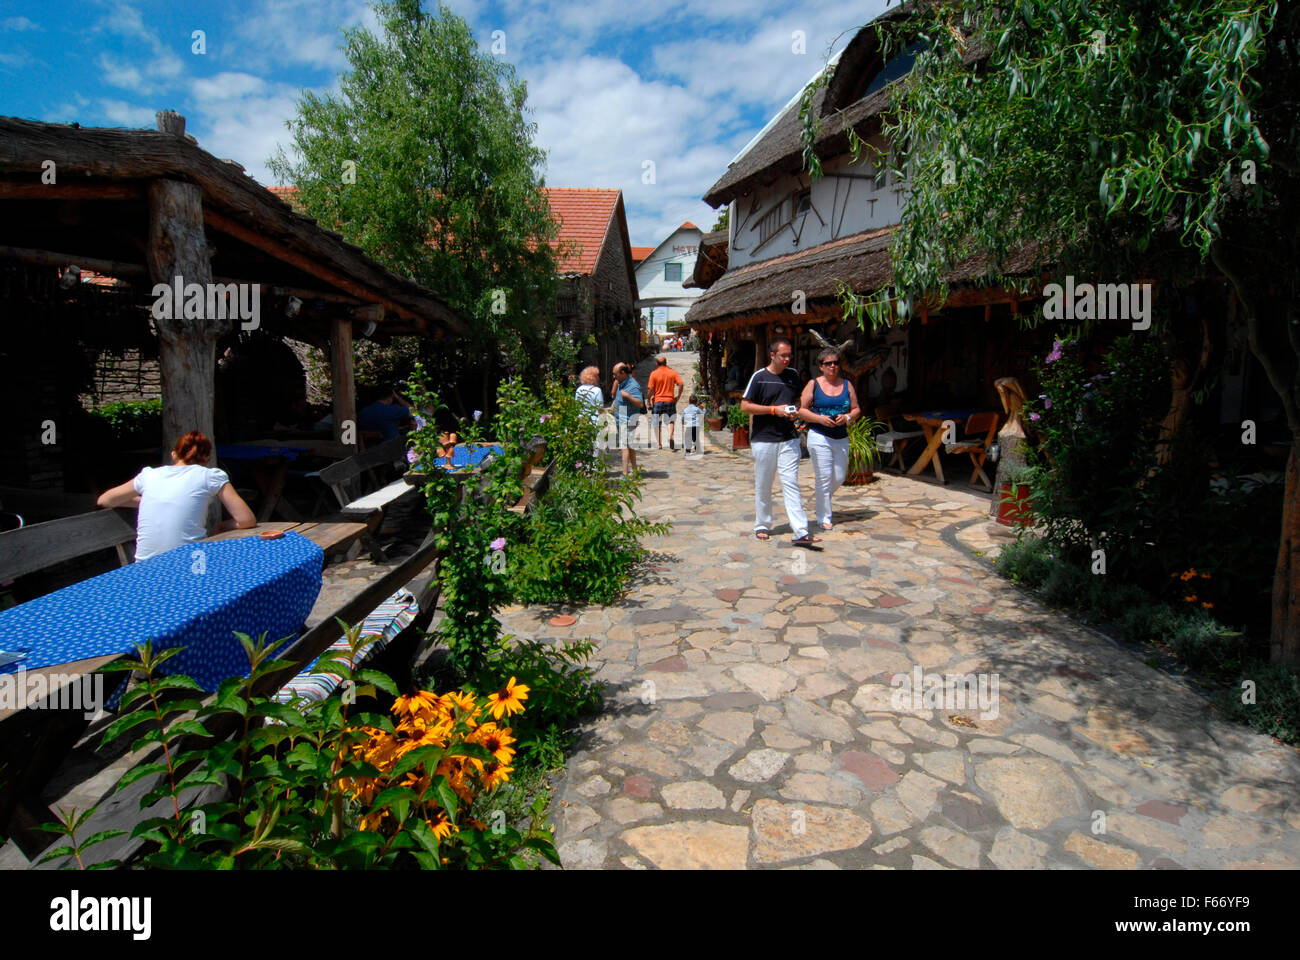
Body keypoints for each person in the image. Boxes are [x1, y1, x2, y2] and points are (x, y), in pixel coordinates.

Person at [96, 430, 257, 561]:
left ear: (174, 454)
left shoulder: (149, 475)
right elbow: (246, 519)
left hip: (144, 568)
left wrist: (150, 501)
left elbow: (105, 500)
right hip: (189, 563)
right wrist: (223, 526)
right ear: (207, 458)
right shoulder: (210, 476)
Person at [740, 339, 818, 547]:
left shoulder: (792, 375)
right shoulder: (759, 377)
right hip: (764, 439)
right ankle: (762, 524)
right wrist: (773, 410)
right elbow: (745, 406)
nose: (787, 359)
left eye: (789, 355)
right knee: (764, 483)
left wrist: (794, 412)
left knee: (791, 483)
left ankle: (800, 530)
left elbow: (798, 401)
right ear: (772, 355)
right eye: (783, 355)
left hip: (789, 438)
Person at [799, 347, 862, 530]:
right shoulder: (814, 384)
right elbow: (802, 410)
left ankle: (821, 497)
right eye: (829, 363)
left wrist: (848, 417)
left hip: (841, 437)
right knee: (824, 477)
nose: (833, 366)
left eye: (836, 363)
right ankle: (824, 517)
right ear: (821, 366)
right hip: (819, 436)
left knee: (840, 477)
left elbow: (856, 408)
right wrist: (820, 419)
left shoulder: (847, 384)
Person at [610, 362, 646, 475]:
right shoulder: (621, 383)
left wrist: (628, 396)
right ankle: (634, 471)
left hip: (628, 420)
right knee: (629, 447)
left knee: (624, 447)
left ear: (623, 373)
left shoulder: (633, 385)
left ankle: (625, 474)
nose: (613, 376)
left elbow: (640, 404)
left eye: (615, 374)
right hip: (621, 419)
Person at [646, 355, 684, 449]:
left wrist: (648, 399)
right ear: (666, 363)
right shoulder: (672, 372)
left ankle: (659, 444)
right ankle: (670, 436)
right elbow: (681, 384)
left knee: (656, 423)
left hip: (657, 401)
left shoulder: (654, 374)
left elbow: (651, 389)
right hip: (670, 400)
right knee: (671, 421)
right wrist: (678, 397)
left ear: (657, 364)